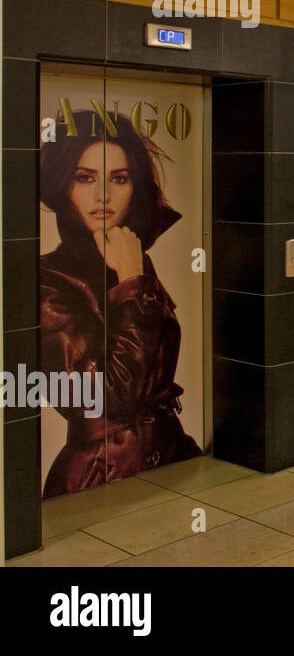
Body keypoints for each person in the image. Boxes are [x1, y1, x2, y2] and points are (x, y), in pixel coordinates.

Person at [39, 110, 200, 497]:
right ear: (63, 185)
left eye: (119, 178)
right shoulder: (48, 281)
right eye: (85, 177)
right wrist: (131, 281)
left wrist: (130, 273)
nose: (103, 195)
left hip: (172, 458)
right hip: (100, 476)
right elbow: (107, 398)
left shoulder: (127, 256)